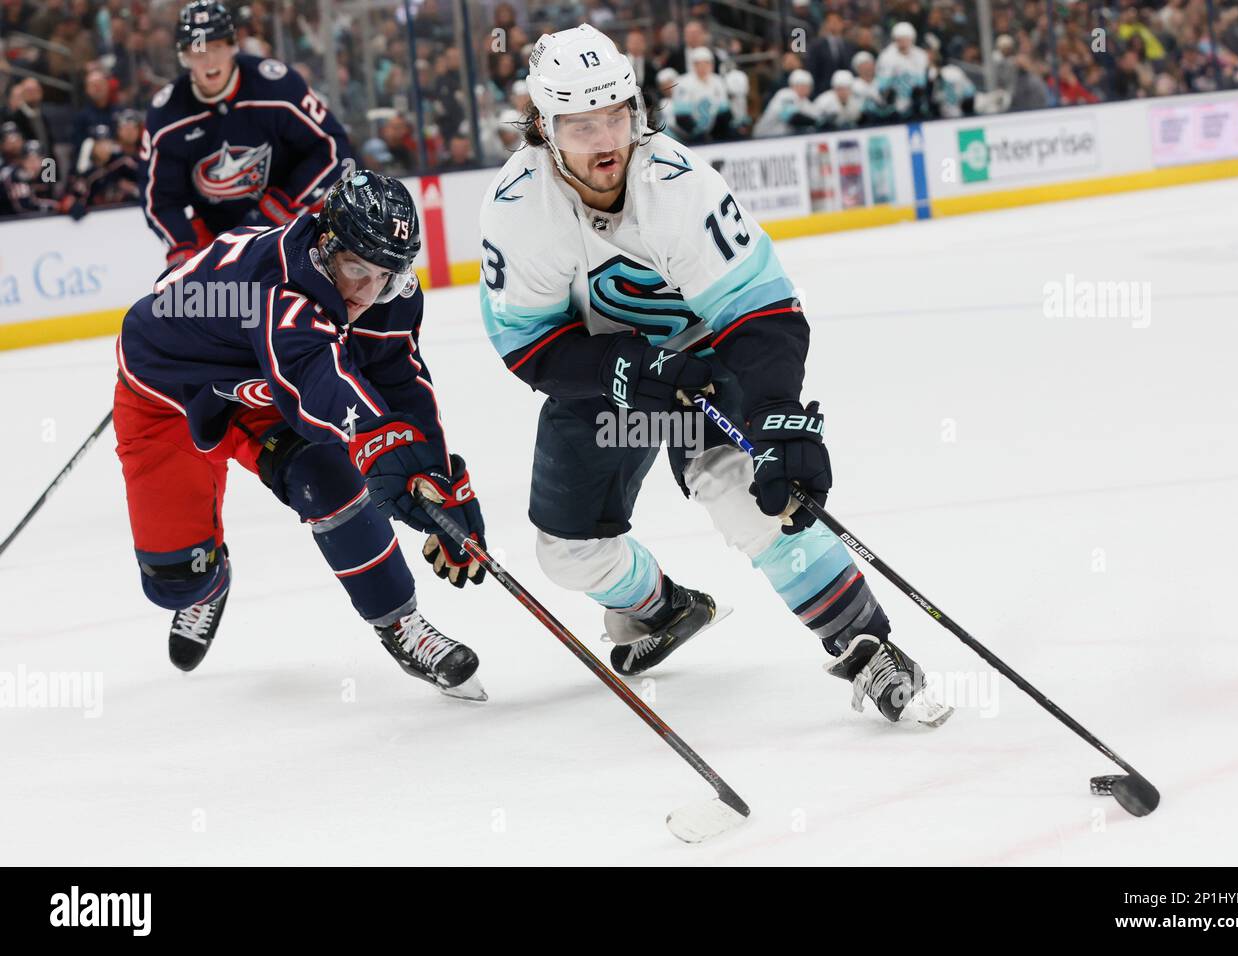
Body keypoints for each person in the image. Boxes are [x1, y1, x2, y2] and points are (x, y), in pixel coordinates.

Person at [477, 25, 951, 726]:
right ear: (545, 129)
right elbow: (526, 344)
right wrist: (619, 370)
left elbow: (760, 310)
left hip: (702, 356)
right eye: (581, 125)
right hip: (601, 372)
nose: (605, 141)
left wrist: (778, 414)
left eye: (616, 116)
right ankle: (660, 607)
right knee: (567, 555)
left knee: (746, 494)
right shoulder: (517, 210)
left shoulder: (677, 184)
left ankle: (869, 646)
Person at [114, 170, 487, 700]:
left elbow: (400, 381)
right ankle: (208, 583)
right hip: (167, 394)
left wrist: (434, 473)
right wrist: (383, 449)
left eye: (383, 275)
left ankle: (401, 624)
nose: (365, 290)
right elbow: (319, 384)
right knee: (175, 579)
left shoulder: (387, 291)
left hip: (259, 390)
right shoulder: (280, 287)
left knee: (325, 477)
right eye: (355, 268)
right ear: (325, 246)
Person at [140, 0, 353, 270]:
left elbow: (332, 147)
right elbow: (160, 199)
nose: (209, 60)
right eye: (198, 50)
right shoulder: (166, 115)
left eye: (217, 47)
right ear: (185, 57)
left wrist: (285, 203)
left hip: (291, 217)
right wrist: (182, 245)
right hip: (218, 233)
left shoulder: (277, 87)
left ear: (232, 45)